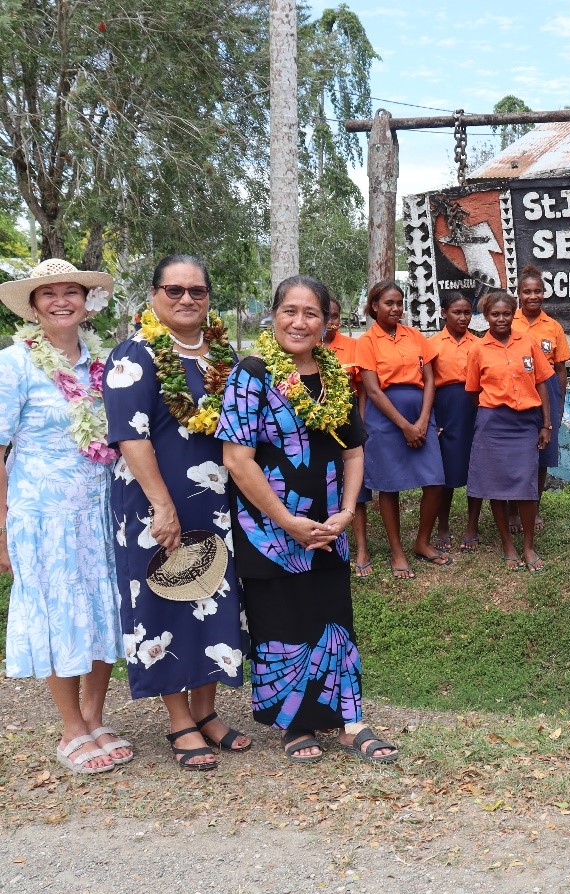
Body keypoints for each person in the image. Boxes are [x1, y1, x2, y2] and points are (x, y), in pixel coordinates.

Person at [218, 275, 398, 765]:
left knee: (333, 620)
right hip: (269, 531)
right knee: (282, 622)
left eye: (311, 313)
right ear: (273, 316)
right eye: (290, 311)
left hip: (328, 528)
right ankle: (295, 724)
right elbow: (237, 459)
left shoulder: (335, 376)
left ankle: (350, 721)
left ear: (326, 322)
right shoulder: (251, 374)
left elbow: (356, 453)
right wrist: (285, 521)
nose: (300, 322)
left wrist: (345, 512)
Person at [105, 254, 249, 771]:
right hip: (154, 505)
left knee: (211, 599)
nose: (186, 299)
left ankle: (208, 712)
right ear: (153, 296)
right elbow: (130, 436)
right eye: (174, 290)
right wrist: (162, 506)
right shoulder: (134, 356)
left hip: (214, 503)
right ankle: (178, 721)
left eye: (196, 291)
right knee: (166, 602)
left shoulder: (221, 354)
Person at [0, 259, 129, 775]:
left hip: (101, 509)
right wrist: (1, 528)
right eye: (47, 293)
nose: (60, 301)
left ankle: (96, 717)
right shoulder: (14, 364)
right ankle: (70, 726)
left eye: (71, 291)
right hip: (42, 515)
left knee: (104, 608)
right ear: (33, 306)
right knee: (59, 615)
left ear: (86, 300)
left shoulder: (106, 364)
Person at [355, 280, 449, 578]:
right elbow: (373, 390)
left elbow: (431, 380)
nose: (396, 308)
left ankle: (422, 542)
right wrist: (405, 426)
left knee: (435, 481)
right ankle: (397, 551)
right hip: (385, 421)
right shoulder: (367, 342)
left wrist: (422, 421)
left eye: (399, 303)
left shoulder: (415, 337)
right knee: (389, 485)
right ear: (374, 307)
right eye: (389, 303)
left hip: (420, 415)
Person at [465, 291, 553, 572]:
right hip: (493, 424)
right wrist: (491, 413)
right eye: (495, 314)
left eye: (505, 314)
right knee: (495, 485)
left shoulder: (527, 342)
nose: (500, 319)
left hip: (525, 422)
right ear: (486, 316)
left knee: (526, 485)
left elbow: (541, 384)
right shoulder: (478, 349)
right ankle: (507, 543)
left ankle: (528, 545)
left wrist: (545, 423)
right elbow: (473, 391)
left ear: (512, 314)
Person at [513, 266, 570, 533]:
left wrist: (558, 407)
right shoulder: (509, 321)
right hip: (517, 388)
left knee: (541, 453)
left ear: (544, 294)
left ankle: (533, 509)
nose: (532, 296)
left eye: (537, 291)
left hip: (547, 388)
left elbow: (560, 369)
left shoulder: (553, 327)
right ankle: (513, 510)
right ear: (519, 294)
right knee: (516, 452)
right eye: (527, 292)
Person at [429, 290, 482, 554]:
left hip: (475, 408)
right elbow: (425, 385)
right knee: (445, 471)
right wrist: (431, 419)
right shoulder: (432, 344)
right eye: (456, 312)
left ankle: (472, 526)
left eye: (467, 312)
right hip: (446, 410)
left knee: (476, 467)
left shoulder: (480, 343)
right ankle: (442, 527)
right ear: (443, 313)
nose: (463, 318)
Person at [324, 296, 373, 578]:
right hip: (314, 425)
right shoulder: (306, 346)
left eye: (335, 316)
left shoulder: (353, 346)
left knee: (356, 489)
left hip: (347, 422)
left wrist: (361, 420)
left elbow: (362, 388)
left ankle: (362, 549)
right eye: (327, 315)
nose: (332, 321)